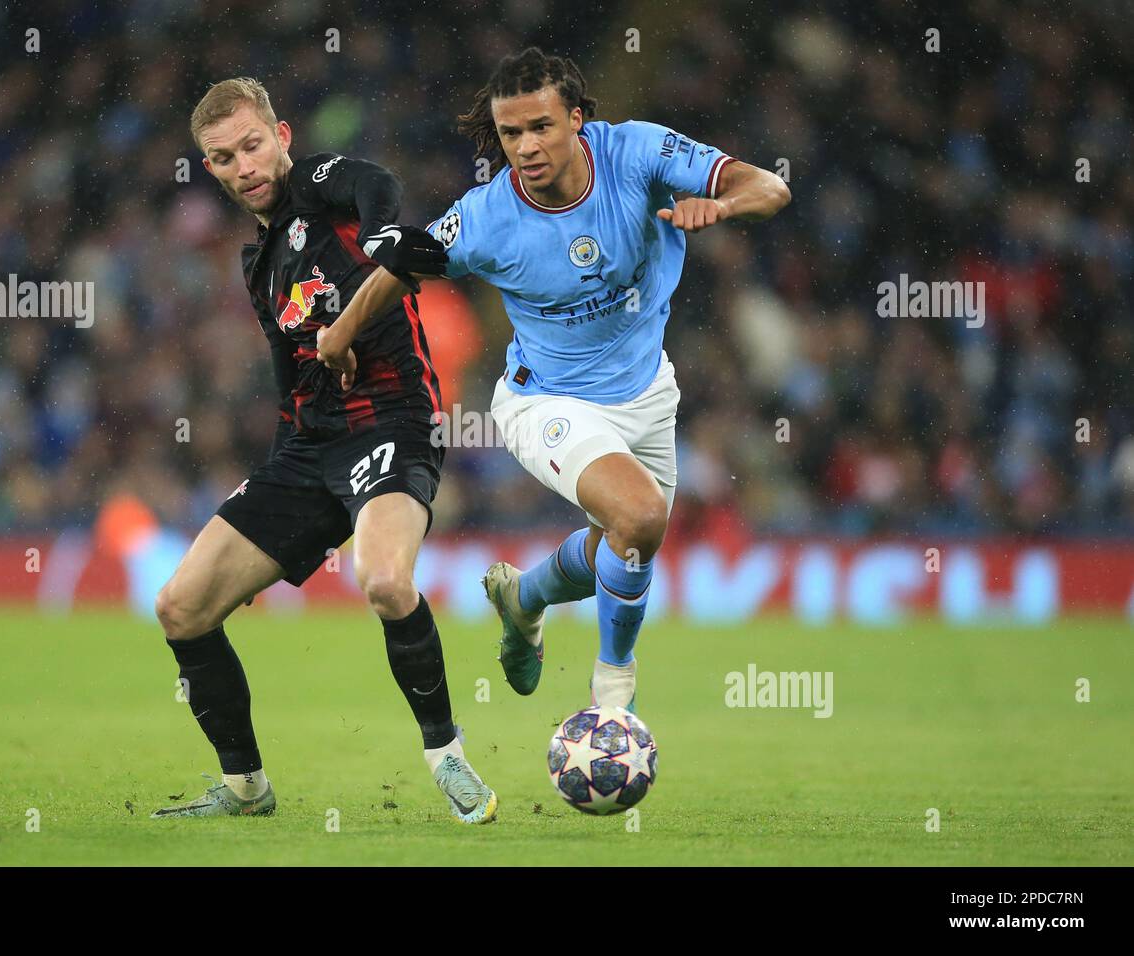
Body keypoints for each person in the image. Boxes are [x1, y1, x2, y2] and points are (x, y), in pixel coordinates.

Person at [316, 49, 790, 712]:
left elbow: (770, 186)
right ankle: (612, 703)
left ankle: (524, 598)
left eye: (541, 127)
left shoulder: (638, 154)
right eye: (511, 134)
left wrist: (726, 205)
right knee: (641, 516)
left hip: (648, 394)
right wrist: (338, 335)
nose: (526, 147)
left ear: (576, 117)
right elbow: (403, 265)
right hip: (546, 400)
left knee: (626, 540)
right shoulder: (486, 217)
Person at [152, 77, 497, 824]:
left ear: (280, 135)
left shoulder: (317, 188)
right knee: (181, 608)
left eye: (251, 144)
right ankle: (245, 788)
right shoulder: (260, 265)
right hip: (308, 454)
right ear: (207, 168)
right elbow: (289, 386)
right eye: (222, 158)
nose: (244, 166)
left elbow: (378, 183)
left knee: (382, 581)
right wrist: (269, 525)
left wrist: (379, 238)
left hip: (391, 426)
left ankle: (448, 758)